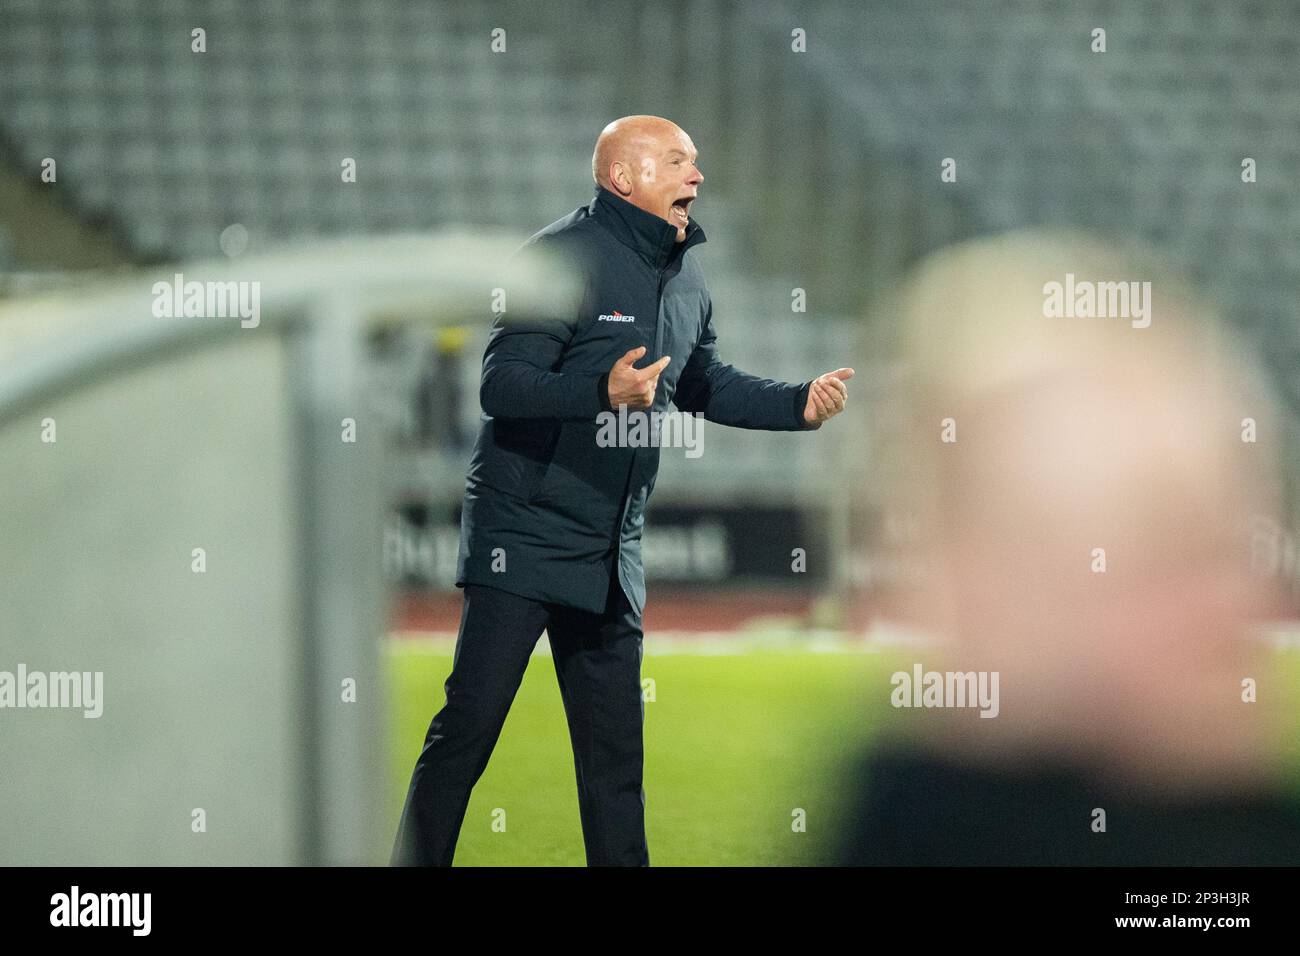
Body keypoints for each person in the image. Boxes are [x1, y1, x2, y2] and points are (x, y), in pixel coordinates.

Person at [392, 115, 854, 866]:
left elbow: (701, 383)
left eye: (696, 163)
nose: (696, 177)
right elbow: (500, 385)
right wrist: (599, 392)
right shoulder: (558, 258)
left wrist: (795, 404)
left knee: (615, 766)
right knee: (466, 734)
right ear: (624, 178)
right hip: (525, 535)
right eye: (677, 162)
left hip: (613, 552)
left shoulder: (685, 273)